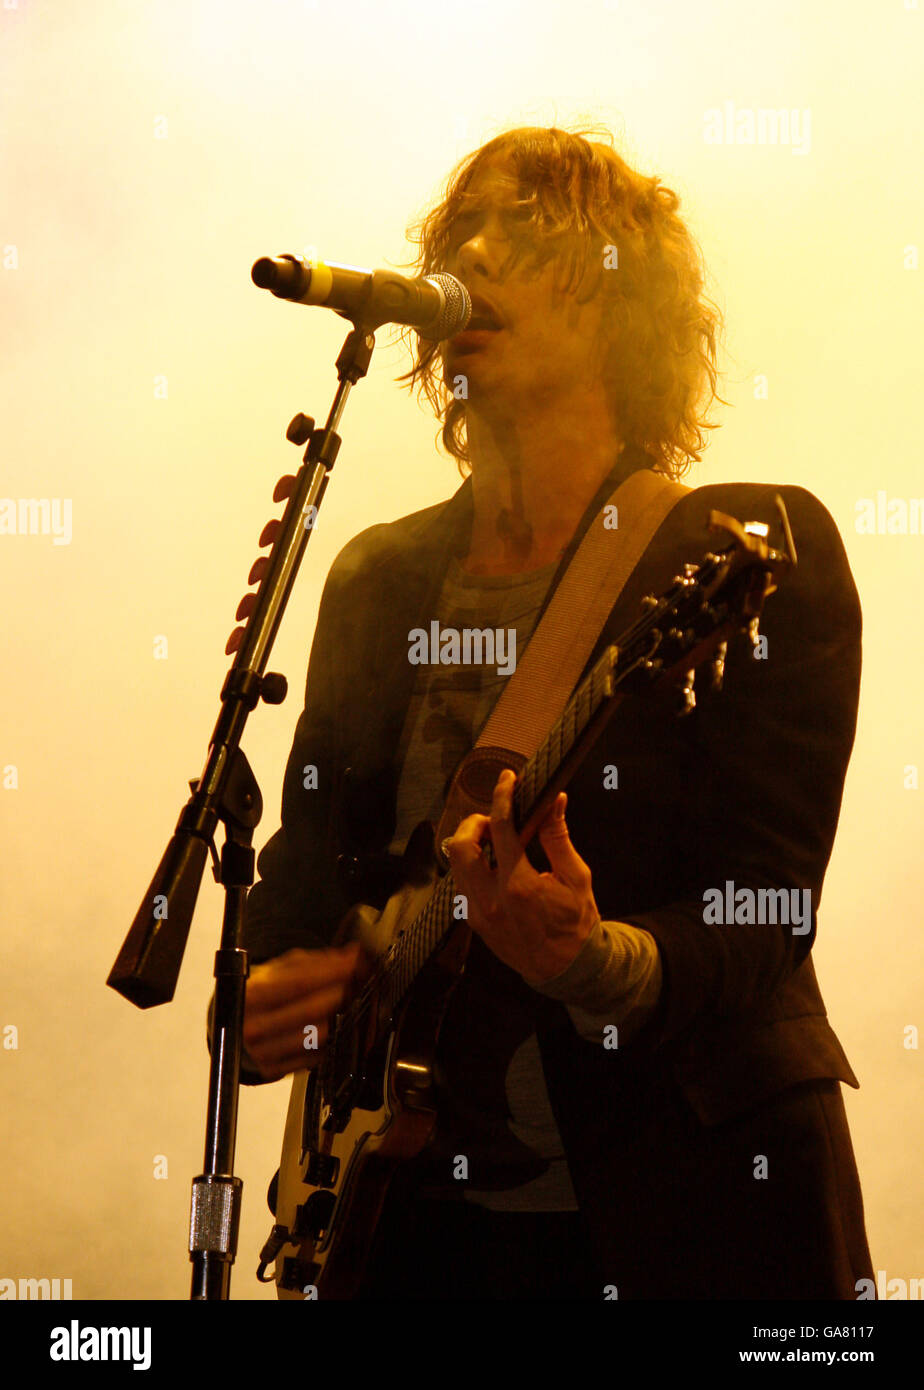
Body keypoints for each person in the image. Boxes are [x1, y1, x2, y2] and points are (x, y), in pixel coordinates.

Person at [225, 126, 874, 1299]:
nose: (473, 253)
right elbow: (308, 860)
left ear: (630, 300)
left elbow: (766, 906)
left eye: (523, 231)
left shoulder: (742, 549)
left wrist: (590, 958)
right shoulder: (379, 574)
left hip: (686, 1217)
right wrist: (276, 988)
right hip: (409, 1226)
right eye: (458, 231)